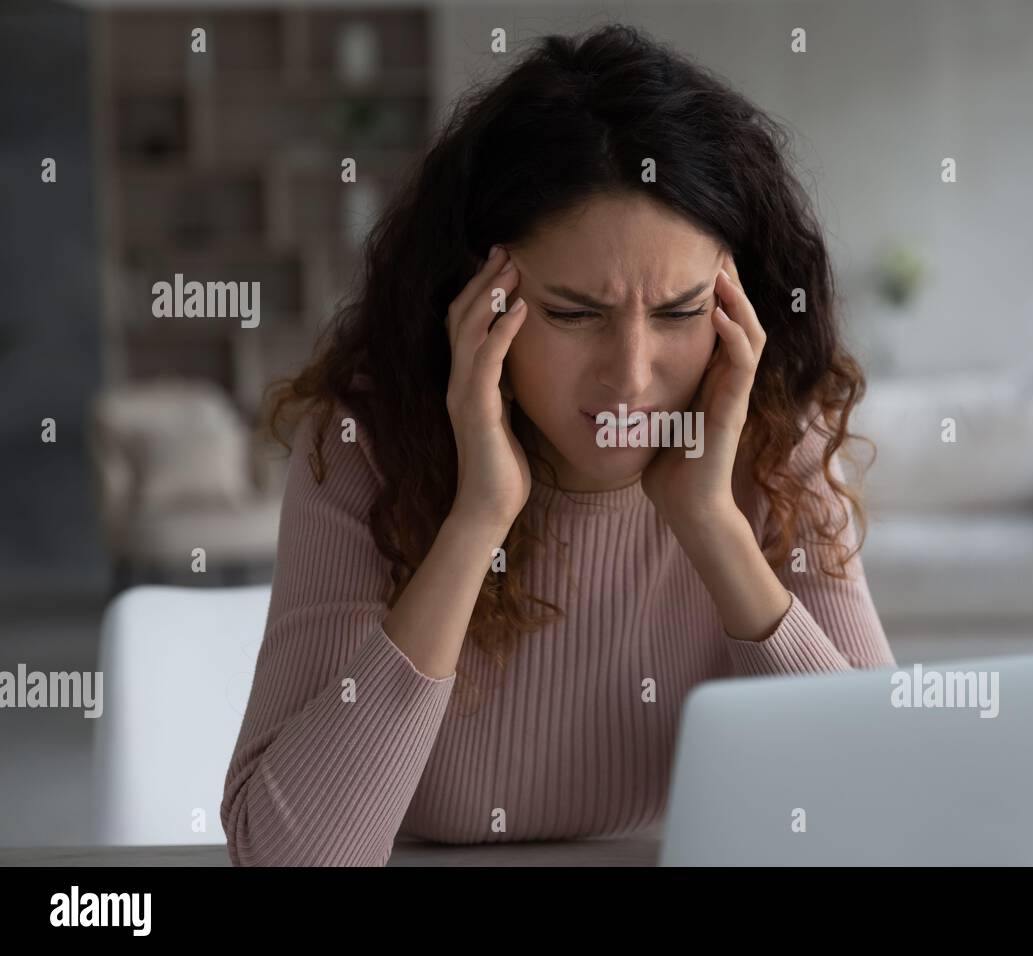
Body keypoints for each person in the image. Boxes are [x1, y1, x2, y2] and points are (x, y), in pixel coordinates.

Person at [220, 23, 894, 866]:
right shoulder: (365, 445)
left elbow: (886, 813)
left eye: (681, 312)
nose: (632, 378)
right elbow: (287, 856)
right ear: (475, 301)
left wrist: (713, 526)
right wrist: (476, 520)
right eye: (576, 313)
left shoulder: (770, 439)